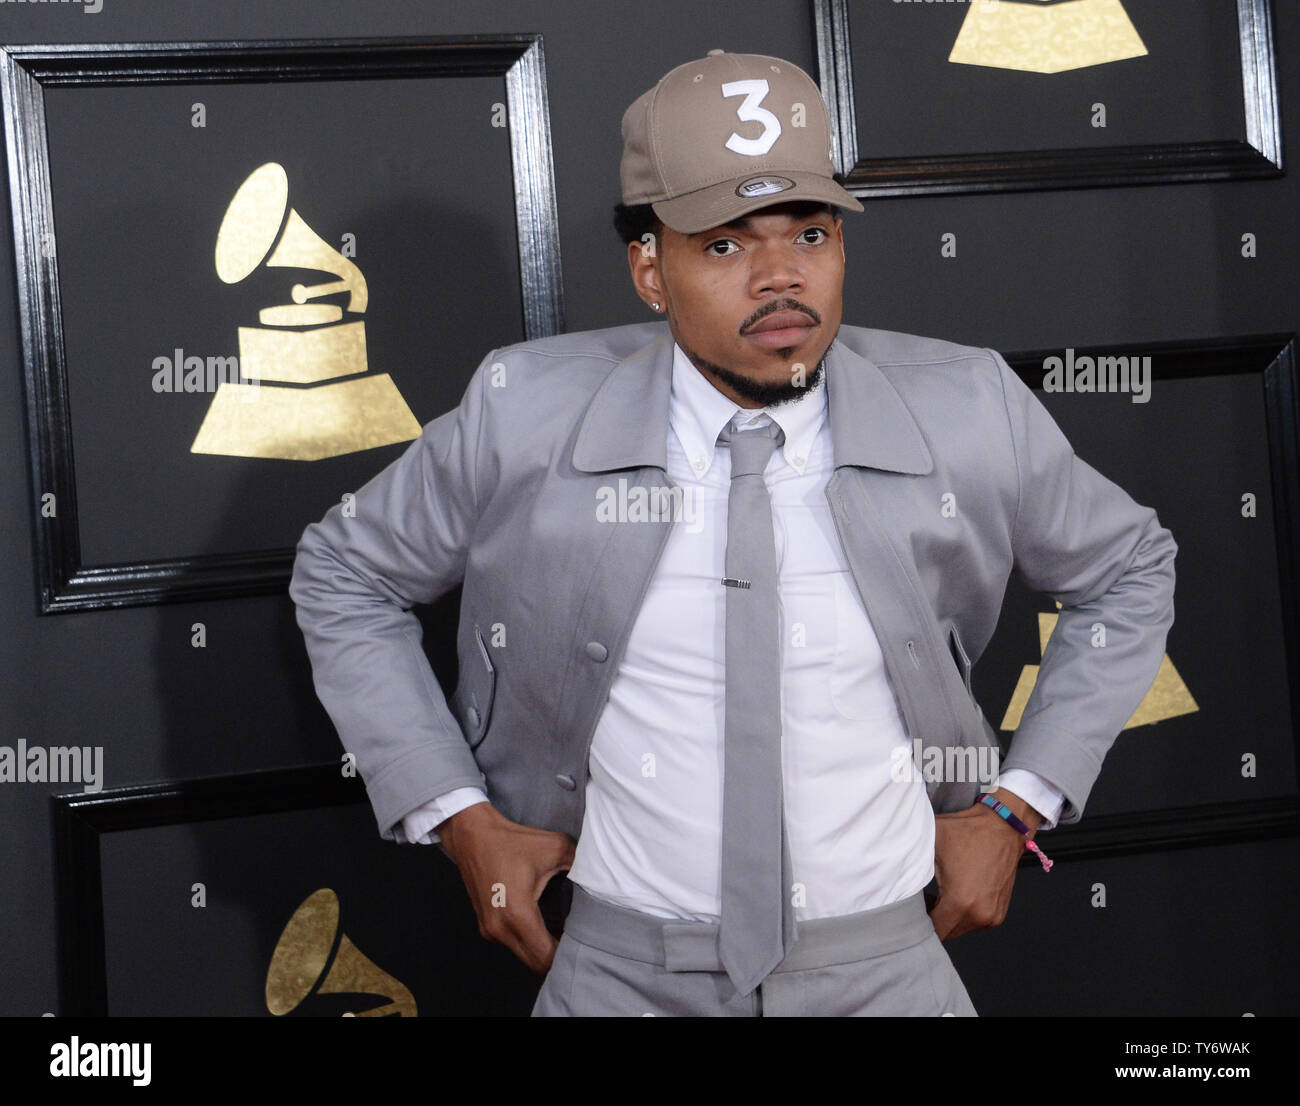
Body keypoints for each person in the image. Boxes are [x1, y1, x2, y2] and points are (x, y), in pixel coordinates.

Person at [290, 50, 1176, 1017]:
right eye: (723, 245)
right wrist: (456, 815)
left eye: (810, 231)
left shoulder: (969, 408)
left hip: (888, 969)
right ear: (648, 269)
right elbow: (346, 573)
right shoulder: (523, 413)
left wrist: (1018, 805)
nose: (781, 277)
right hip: (618, 976)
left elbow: (1128, 569)